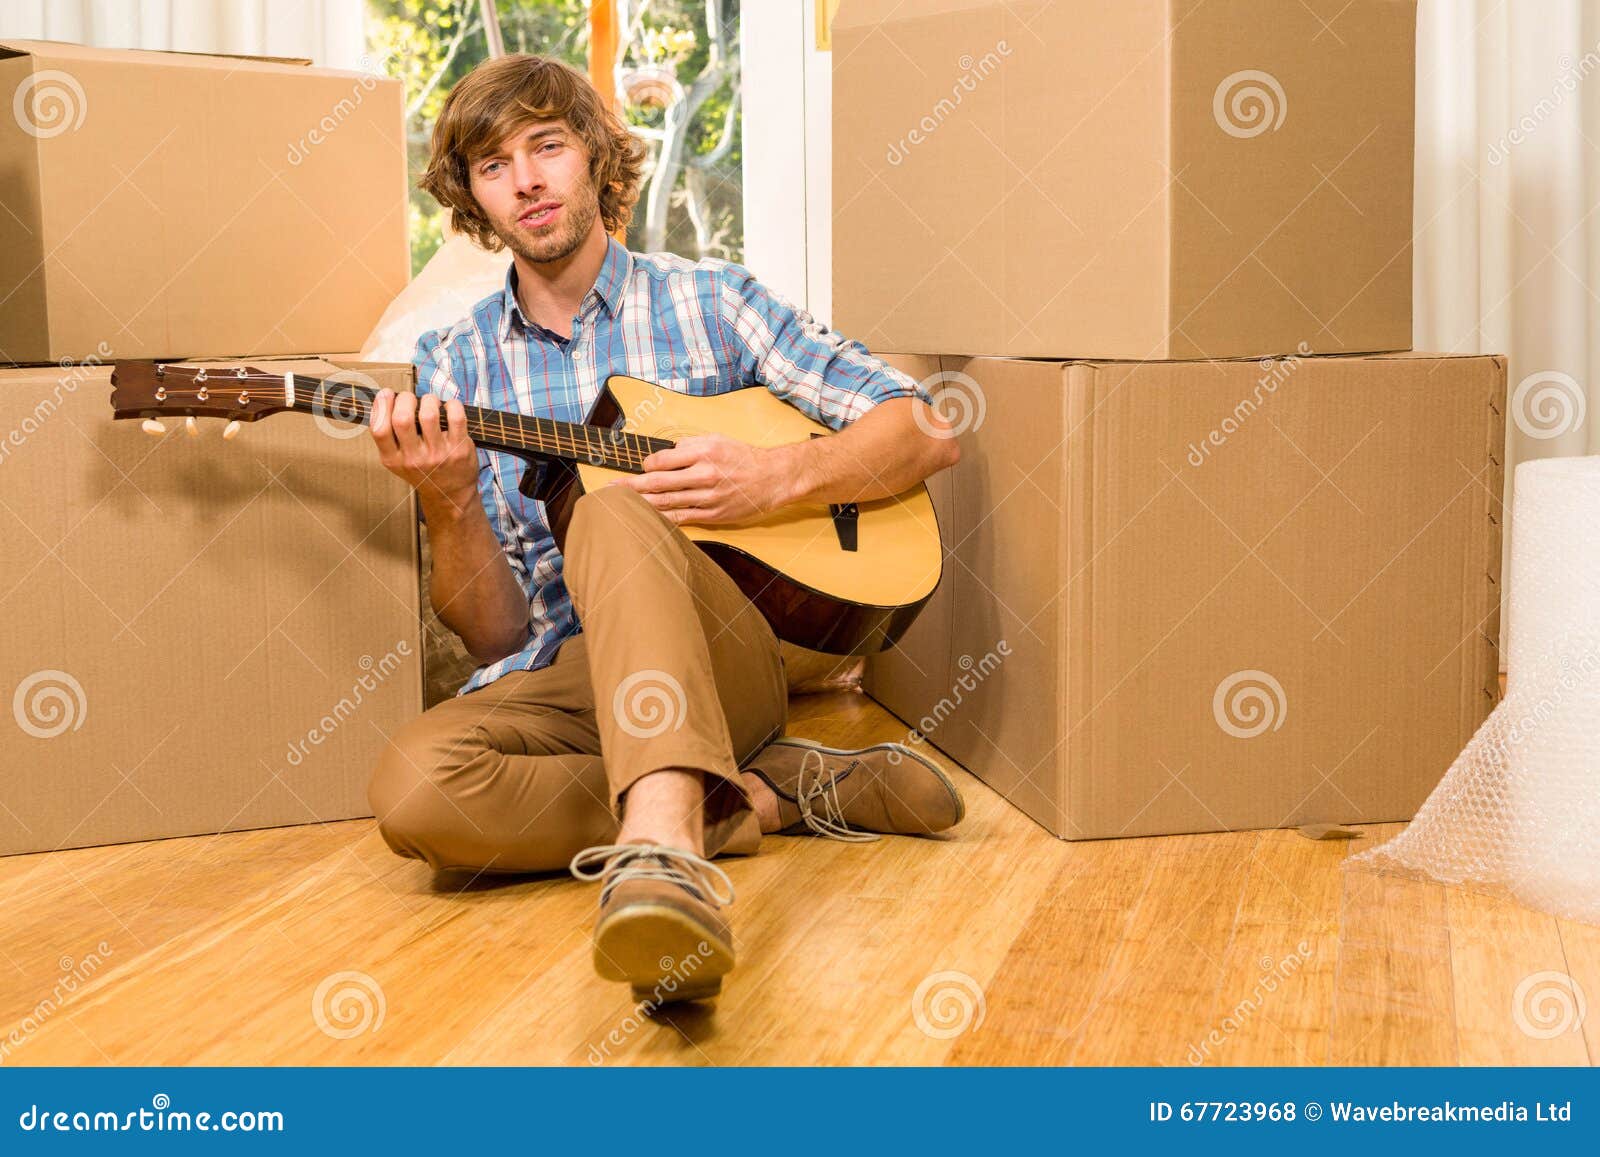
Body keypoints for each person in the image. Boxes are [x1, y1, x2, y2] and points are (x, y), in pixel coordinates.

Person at [364, 54, 963, 1003]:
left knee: (613, 511)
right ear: (473, 200)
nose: (524, 179)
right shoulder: (453, 360)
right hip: (580, 666)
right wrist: (445, 501)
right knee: (416, 790)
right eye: (491, 165)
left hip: (738, 651)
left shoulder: (711, 300)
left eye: (546, 146)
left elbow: (926, 427)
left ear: (598, 158)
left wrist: (774, 477)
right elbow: (498, 637)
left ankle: (665, 857)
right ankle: (769, 792)